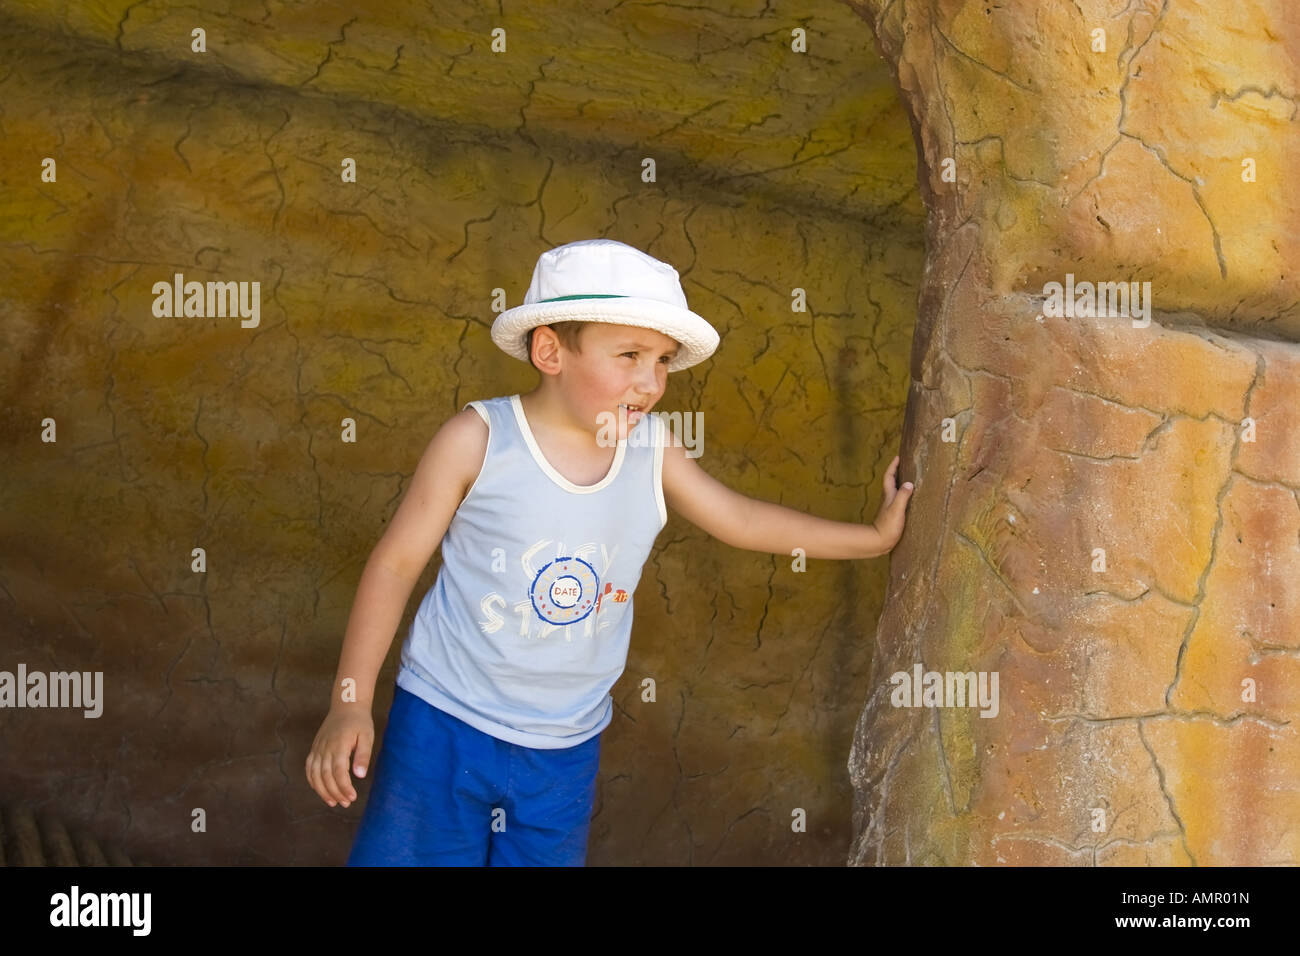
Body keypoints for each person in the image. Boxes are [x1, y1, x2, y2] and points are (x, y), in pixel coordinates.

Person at [305, 238, 915, 865]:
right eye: (629, 354)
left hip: (565, 747)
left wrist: (872, 539)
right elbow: (395, 564)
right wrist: (349, 702)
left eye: (663, 361)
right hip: (443, 722)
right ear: (550, 351)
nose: (650, 382)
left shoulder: (653, 449)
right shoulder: (478, 440)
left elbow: (740, 519)